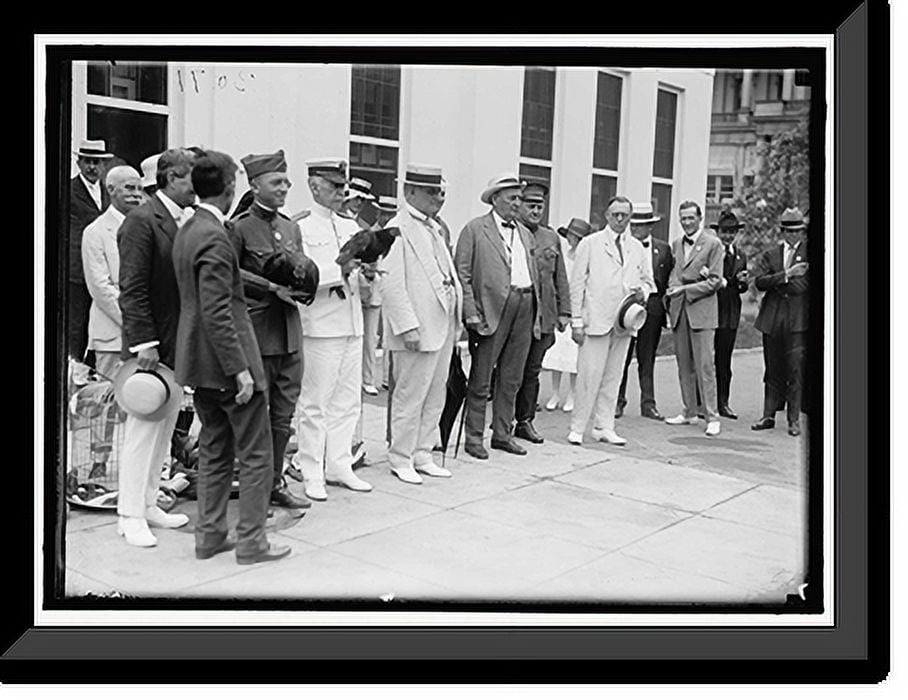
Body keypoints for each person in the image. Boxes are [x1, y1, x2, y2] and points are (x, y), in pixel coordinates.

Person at [173, 150, 290, 565]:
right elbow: (218, 310)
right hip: (227, 364)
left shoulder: (190, 229)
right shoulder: (214, 235)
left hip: (198, 364)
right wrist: (239, 369)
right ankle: (252, 542)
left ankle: (209, 536)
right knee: (257, 455)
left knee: (215, 449)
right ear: (229, 188)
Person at [116, 147, 197, 547]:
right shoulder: (142, 220)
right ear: (171, 179)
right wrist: (144, 343)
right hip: (152, 345)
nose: (198, 184)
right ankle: (129, 514)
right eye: (192, 176)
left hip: (178, 342)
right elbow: (131, 288)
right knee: (143, 429)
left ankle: (149, 502)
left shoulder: (186, 219)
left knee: (164, 428)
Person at [229, 149, 312, 511]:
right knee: (254, 420)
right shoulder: (238, 228)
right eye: (276, 182)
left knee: (282, 420)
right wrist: (269, 287)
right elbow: (228, 274)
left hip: (289, 335)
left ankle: (275, 483)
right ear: (254, 186)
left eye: (286, 182)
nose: (284, 187)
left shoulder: (291, 227)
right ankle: (254, 492)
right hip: (258, 336)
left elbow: (300, 270)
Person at [292, 158, 372, 500]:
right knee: (315, 404)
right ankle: (311, 469)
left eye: (343, 187)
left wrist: (367, 272)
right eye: (335, 187)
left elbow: (359, 278)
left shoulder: (350, 226)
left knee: (348, 401)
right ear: (314, 187)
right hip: (321, 324)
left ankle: (339, 464)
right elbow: (300, 277)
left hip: (351, 321)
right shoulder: (301, 227)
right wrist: (339, 269)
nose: (342, 193)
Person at [381, 164, 463, 484]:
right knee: (409, 396)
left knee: (435, 395)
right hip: (417, 328)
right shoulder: (397, 227)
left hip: (442, 324)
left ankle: (423, 453)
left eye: (440, 192)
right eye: (430, 192)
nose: (438, 198)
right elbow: (391, 283)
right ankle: (400, 456)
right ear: (409, 192)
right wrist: (407, 326)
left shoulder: (436, 228)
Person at [454, 173, 538, 460]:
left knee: (512, 377)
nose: (517, 203)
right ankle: (473, 436)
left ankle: (502, 434)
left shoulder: (525, 233)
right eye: (512, 198)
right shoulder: (475, 229)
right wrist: (470, 311)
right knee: (481, 377)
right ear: (495, 199)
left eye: (519, 198)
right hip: (490, 309)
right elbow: (462, 273)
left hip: (525, 305)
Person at [567, 197, 653, 446]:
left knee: (614, 376)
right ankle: (577, 427)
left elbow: (648, 281)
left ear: (630, 217)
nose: (620, 219)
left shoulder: (636, 247)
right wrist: (576, 321)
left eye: (625, 215)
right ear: (606, 215)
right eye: (615, 214)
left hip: (625, 321)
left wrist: (642, 293)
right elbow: (577, 284)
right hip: (595, 320)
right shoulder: (590, 243)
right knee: (589, 376)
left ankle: (604, 426)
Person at [512, 181, 570, 444]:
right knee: (510, 370)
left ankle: (525, 421)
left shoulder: (551, 237)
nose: (536, 211)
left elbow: (561, 277)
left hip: (544, 316)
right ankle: (503, 420)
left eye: (540, 206)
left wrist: (564, 311)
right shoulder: (513, 233)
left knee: (533, 371)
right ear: (520, 205)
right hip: (518, 314)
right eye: (530, 205)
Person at [663, 201, 725, 437]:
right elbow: (675, 273)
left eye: (691, 218)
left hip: (702, 313)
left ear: (700, 218)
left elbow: (715, 281)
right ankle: (689, 411)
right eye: (683, 218)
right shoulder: (676, 244)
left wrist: (685, 289)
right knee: (684, 365)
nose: (687, 222)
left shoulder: (713, 244)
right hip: (680, 311)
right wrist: (673, 288)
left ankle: (712, 416)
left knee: (705, 366)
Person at [751, 207, 809, 437]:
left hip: (797, 321)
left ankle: (793, 420)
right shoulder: (771, 254)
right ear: (782, 231)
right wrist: (787, 274)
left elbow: (803, 286)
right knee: (772, 368)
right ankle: (768, 415)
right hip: (773, 319)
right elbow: (760, 281)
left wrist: (777, 282)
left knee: (795, 370)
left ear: (802, 232)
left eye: (797, 231)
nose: (793, 235)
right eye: (789, 231)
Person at [81, 165, 144, 380]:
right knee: (113, 395)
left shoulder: (145, 228)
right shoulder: (95, 231)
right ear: (111, 189)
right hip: (112, 336)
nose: (136, 195)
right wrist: (134, 320)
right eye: (129, 188)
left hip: (148, 336)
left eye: (139, 189)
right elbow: (100, 287)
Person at [615, 202, 674, 420]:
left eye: (641, 225)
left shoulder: (663, 249)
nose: (636, 229)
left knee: (647, 357)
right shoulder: (623, 246)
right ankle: (617, 401)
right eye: (634, 225)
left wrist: (664, 311)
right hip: (627, 307)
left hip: (653, 307)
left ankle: (648, 404)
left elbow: (665, 281)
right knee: (622, 355)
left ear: (650, 226)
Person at [69, 139, 113, 385]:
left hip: (101, 265)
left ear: (104, 165)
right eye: (87, 162)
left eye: (96, 162)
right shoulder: (68, 190)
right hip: (77, 266)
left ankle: (93, 366)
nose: (92, 167)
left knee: (99, 317)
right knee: (78, 319)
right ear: (79, 163)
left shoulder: (108, 192)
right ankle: (76, 367)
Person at [543, 218, 593, 412]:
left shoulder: (587, 257)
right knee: (557, 354)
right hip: (562, 308)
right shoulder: (563, 255)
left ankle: (572, 393)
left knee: (573, 357)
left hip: (578, 309)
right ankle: (555, 393)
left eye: (575, 236)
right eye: (570, 235)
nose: (571, 239)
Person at [710, 210, 749, 419]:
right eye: (724, 232)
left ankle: (723, 402)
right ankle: (703, 402)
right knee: (706, 359)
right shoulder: (711, 251)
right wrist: (730, 281)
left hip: (730, 313)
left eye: (732, 232)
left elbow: (741, 287)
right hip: (711, 310)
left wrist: (742, 282)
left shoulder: (741, 255)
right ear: (718, 232)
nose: (728, 236)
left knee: (724, 361)